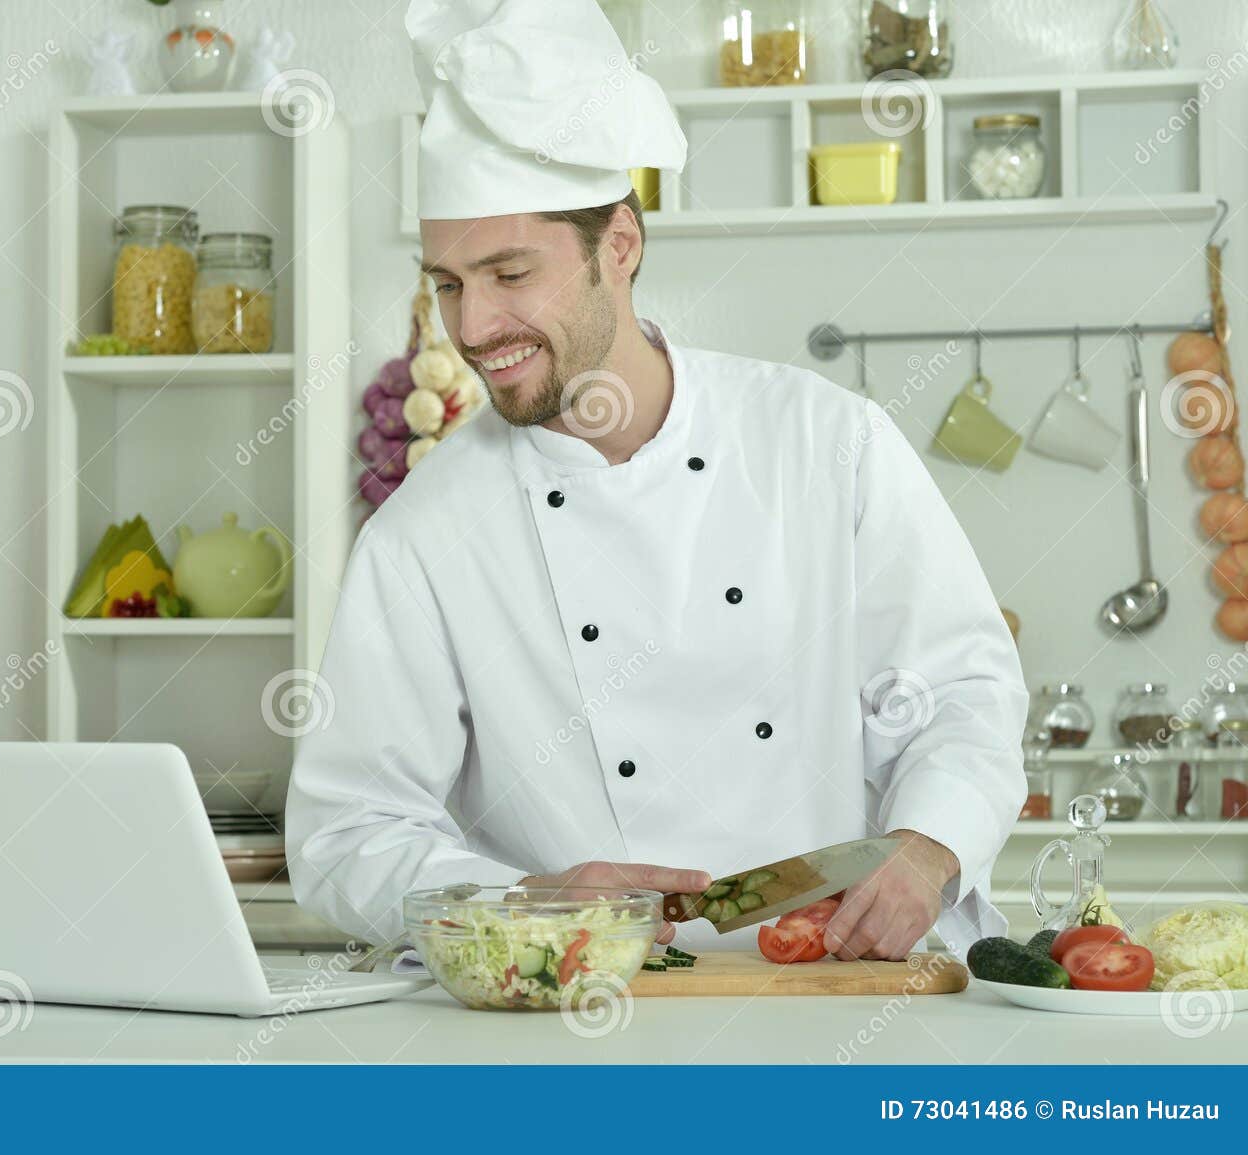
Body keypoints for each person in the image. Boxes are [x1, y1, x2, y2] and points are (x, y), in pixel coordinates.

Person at [287, 0, 1026, 959]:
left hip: (836, 989)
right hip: (581, 1020)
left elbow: (962, 686)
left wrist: (928, 850)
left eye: (510, 274)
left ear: (620, 247)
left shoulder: (825, 443)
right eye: (449, 283)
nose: (471, 328)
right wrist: (528, 900)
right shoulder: (425, 536)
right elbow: (347, 835)